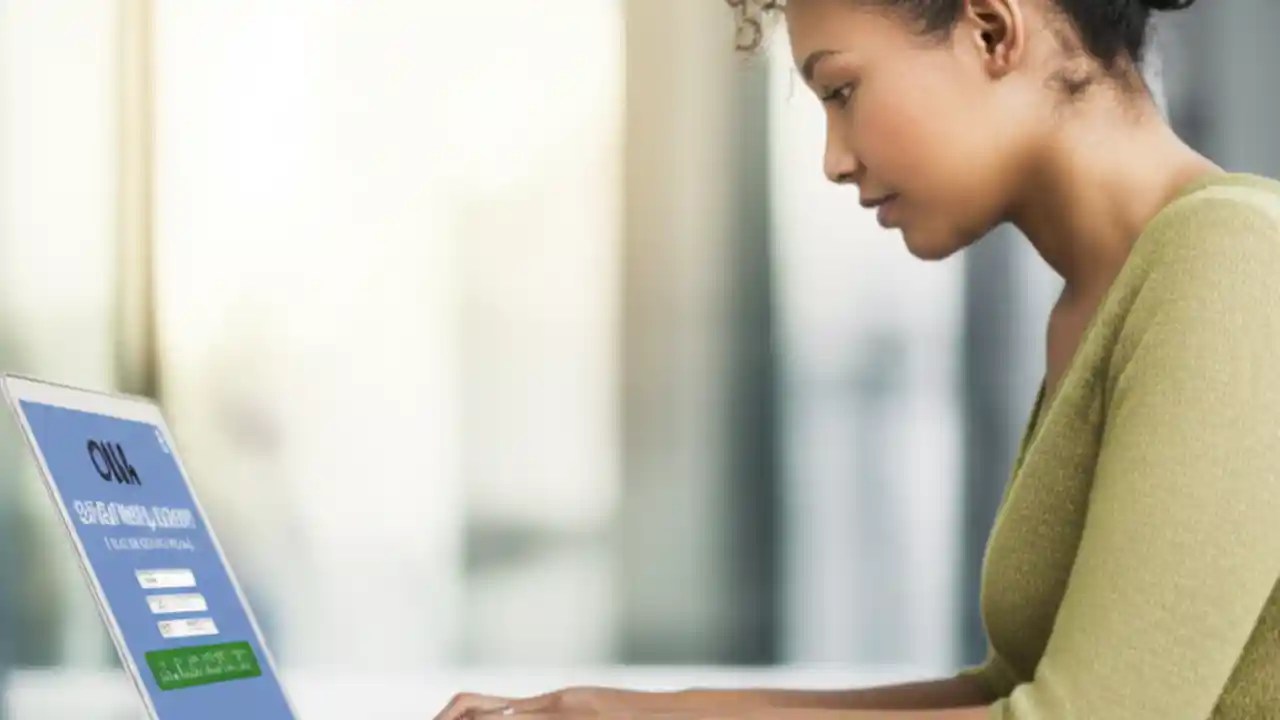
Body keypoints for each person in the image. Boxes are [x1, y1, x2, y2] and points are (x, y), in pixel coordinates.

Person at [435, 0, 1280, 717]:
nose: (834, 160)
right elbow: (1008, 692)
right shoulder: (1097, 303)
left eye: (842, 91)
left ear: (991, 30)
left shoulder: (1233, 262)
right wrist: (641, 710)